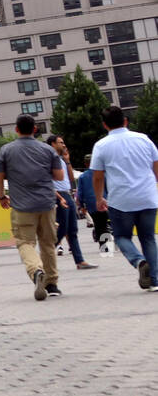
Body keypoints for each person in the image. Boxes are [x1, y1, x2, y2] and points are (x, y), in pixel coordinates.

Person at [0, 114, 65, 300]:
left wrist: (1, 196)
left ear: (16, 129)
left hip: (21, 206)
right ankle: (52, 284)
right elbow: (59, 176)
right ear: (35, 129)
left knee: (25, 242)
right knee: (48, 243)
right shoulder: (48, 150)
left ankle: (36, 271)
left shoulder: (6, 151)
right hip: (47, 204)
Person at [89, 105, 158, 292]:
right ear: (126, 121)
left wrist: (99, 198)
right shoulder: (144, 139)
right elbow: (156, 166)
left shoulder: (101, 145)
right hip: (148, 196)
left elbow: (97, 176)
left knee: (120, 236)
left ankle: (139, 261)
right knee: (148, 238)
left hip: (121, 199)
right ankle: (155, 280)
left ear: (105, 125)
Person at [47, 134, 96, 271]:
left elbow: (69, 178)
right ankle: (46, 254)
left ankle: (80, 260)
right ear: (52, 144)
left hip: (66, 193)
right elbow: (46, 180)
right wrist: (58, 196)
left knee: (72, 230)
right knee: (63, 228)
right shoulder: (49, 158)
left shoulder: (60, 159)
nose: (64, 145)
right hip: (59, 195)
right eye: (60, 142)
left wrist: (67, 161)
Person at [77, 153, 111, 252]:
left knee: (97, 223)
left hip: (91, 203)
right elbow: (108, 187)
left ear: (85, 164)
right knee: (104, 223)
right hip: (103, 200)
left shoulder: (82, 177)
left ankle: (102, 244)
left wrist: (81, 205)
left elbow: (80, 193)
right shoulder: (102, 174)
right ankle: (104, 244)